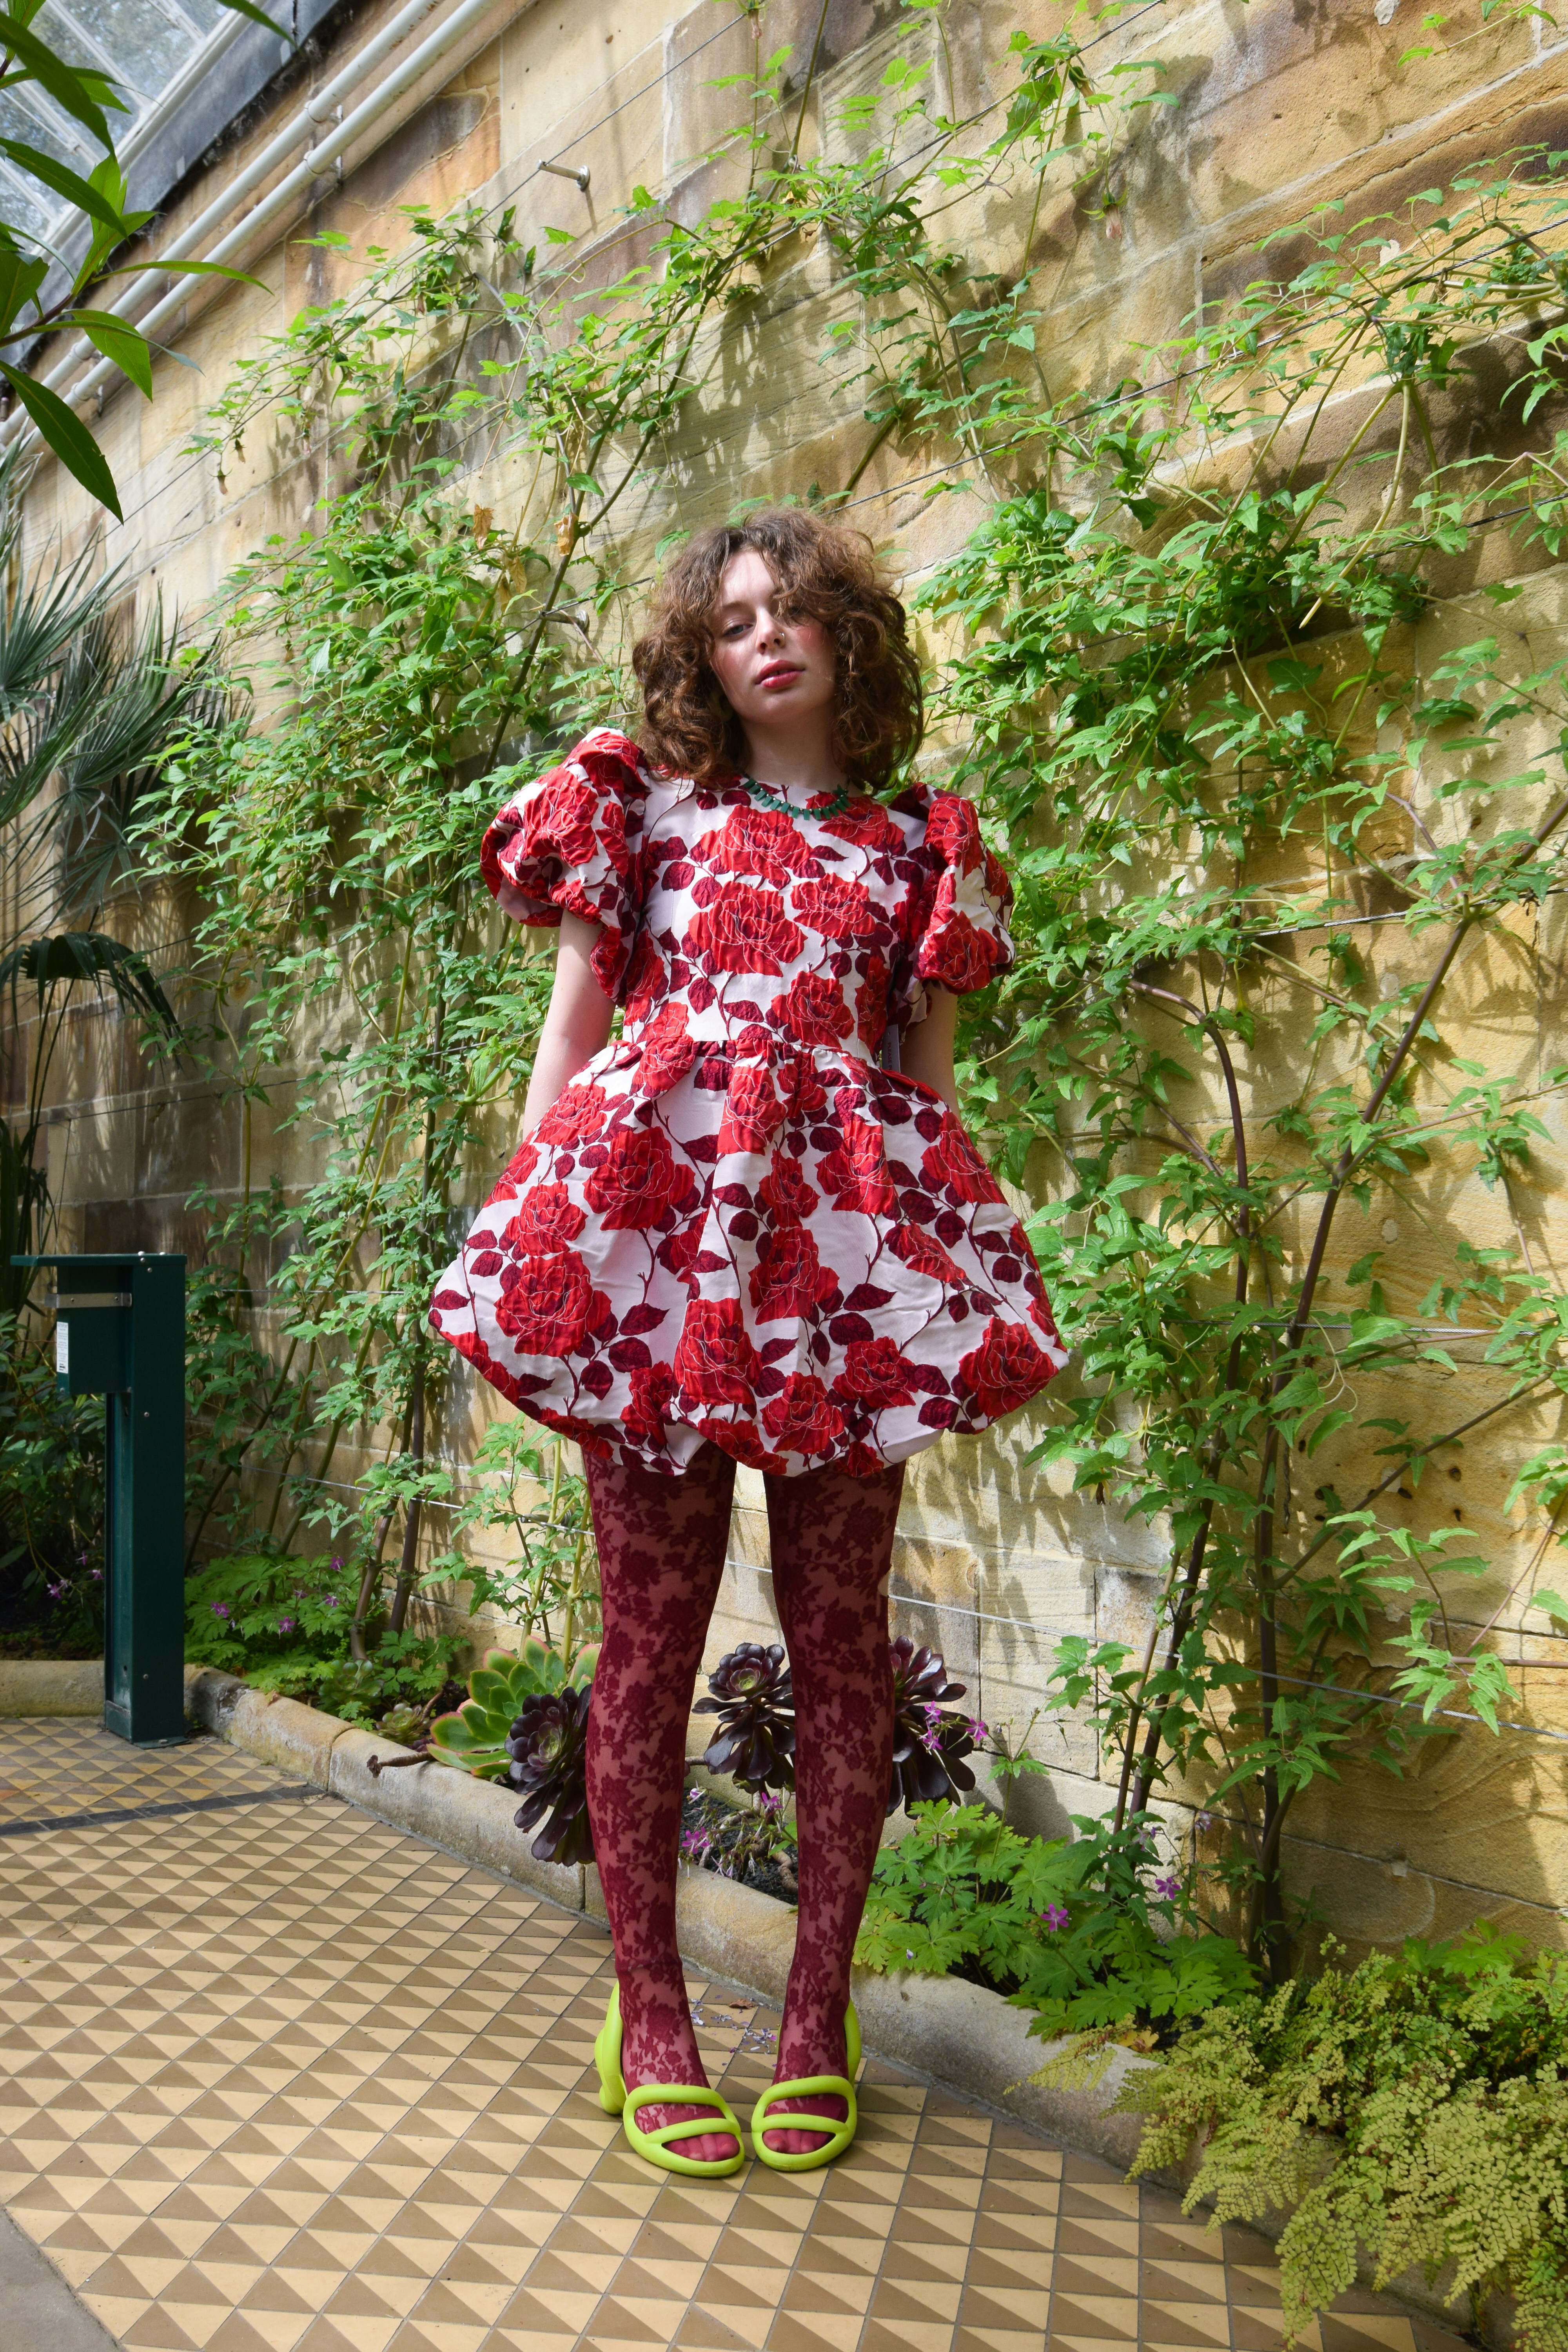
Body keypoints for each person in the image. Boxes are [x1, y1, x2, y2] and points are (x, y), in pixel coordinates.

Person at [429, 508, 1065, 2178]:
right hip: (646, 1259)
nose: (763, 638)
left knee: (839, 1637)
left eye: (792, 609)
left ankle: (812, 2015)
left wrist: (956, 1284)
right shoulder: (639, 814)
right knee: (645, 1636)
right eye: (731, 620)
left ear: (852, 635)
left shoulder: (927, 849)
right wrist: (524, 1242)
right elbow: (574, 1035)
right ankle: (649, 2011)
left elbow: (924, 1095)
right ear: (699, 654)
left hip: (843, 1280)